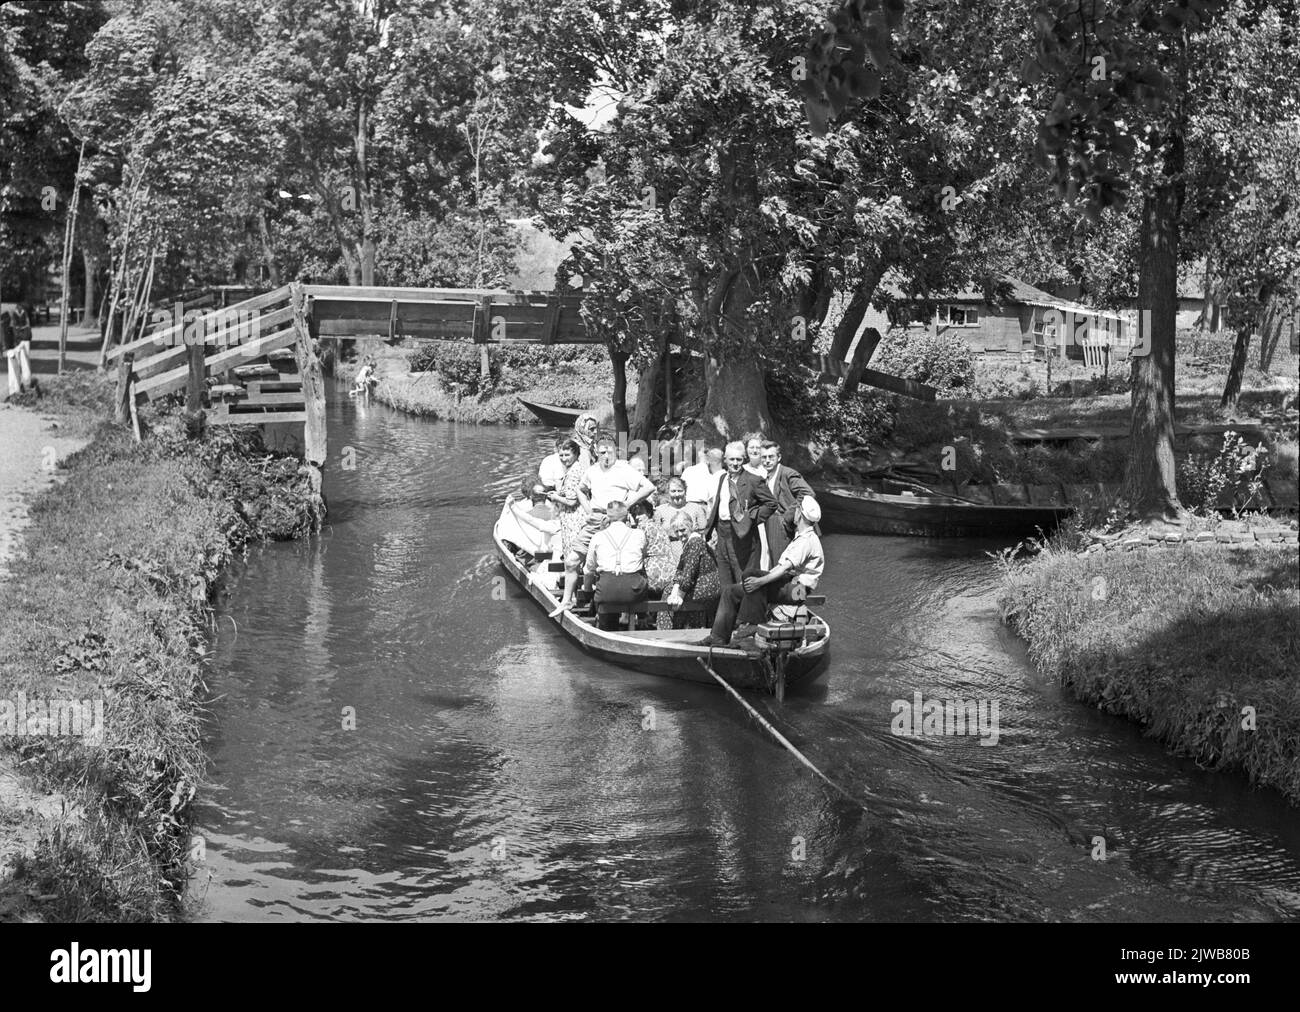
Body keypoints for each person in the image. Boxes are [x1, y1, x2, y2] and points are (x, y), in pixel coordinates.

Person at [551, 435, 654, 616]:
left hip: (617, 520)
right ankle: (567, 601)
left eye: (609, 451)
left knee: (614, 565)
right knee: (571, 561)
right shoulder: (592, 471)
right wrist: (588, 509)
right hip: (595, 518)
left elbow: (648, 487)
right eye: (602, 452)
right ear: (596, 453)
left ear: (616, 450)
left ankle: (625, 611)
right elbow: (581, 490)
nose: (606, 455)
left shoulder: (624, 469)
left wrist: (627, 505)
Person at [703, 496, 824, 646]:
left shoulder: (806, 540)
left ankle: (754, 623)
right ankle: (718, 636)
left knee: (754, 579)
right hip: (790, 586)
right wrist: (751, 582)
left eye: (796, 510)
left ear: (799, 514)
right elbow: (779, 569)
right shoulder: (801, 537)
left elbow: (784, 567)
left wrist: (759, 581)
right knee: (731, 591)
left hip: (799, 590)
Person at [700, 440, 778, 640]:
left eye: (738, 459)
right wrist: (707, 532)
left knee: (745, 583)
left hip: (743, 538)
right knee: (726, 587)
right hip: (723, 535)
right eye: (731, 459)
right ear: (724, 460)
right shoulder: (721, 479)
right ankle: (720, 635)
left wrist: (751, 518)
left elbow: (771, 504)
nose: (735, 463)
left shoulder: (752, 480)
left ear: (743, 460)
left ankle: (748, 628)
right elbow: (718, 506)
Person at [583, 501, 649, 630]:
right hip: (634, 590)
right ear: (627, 516)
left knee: (603, 587)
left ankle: (606, 627)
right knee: (641, 572)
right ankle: (642, 618)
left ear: (607, 517)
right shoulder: (639, 534)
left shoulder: (598, 537)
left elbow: (589, 569)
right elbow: (643, 557)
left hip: (607, 591)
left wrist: (587, 592)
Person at [759, 440, 816, 564]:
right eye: (764, 457)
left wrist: (788, 516)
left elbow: (808, 493)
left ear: (779, 457)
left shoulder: (787, 473)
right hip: (770, 522)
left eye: (771, 457)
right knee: (773, 562)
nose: (767, 460)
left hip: (781, 524)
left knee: (782, 564)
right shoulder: (768, 475)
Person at [663, 514, 720, 630]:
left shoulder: (694, 542)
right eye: (676, 531)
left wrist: (678, 596)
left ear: (691, 527)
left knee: (668, 596)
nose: (680, 534)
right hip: (704, 585)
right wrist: (676, 591)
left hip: (707, 587)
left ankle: (666, 631)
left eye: (683, 530)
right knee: (671, 591)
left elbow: (688, 573)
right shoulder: (690, 543)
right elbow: (680, 571)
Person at [500, 479, 560, 558]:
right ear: (546, 496)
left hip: (540, 556)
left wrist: (513, 507)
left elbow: (529, 520)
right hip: (555, 554)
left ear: (531, 497)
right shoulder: (557, 516)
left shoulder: (527, 516)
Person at [2, 306, 35, 400]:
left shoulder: (12, 313)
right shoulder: (7, 315)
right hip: (16, 340)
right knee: (17, 365)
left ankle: (23, 388)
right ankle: (16, 391)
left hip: (20, 339)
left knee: (24, 365)